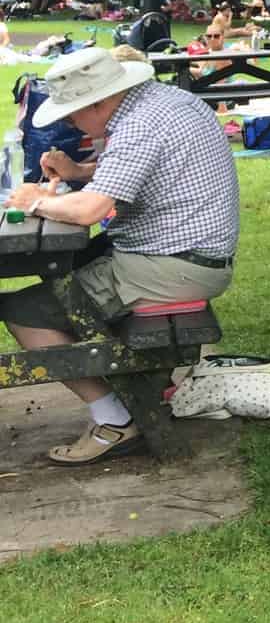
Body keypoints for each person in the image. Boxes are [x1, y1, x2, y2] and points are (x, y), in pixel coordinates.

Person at [1, 48, 240, 464]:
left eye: (73, 114)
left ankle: (115, 421)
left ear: (97, 101)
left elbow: (90, 211)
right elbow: (132, 168)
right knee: (68, 274)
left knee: (24, 312)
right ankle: (133, 393)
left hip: (176, 265)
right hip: (190, 256)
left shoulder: (138, 124)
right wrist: (77, 174)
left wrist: (34, 202)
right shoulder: (165, 101)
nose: (70, 123)